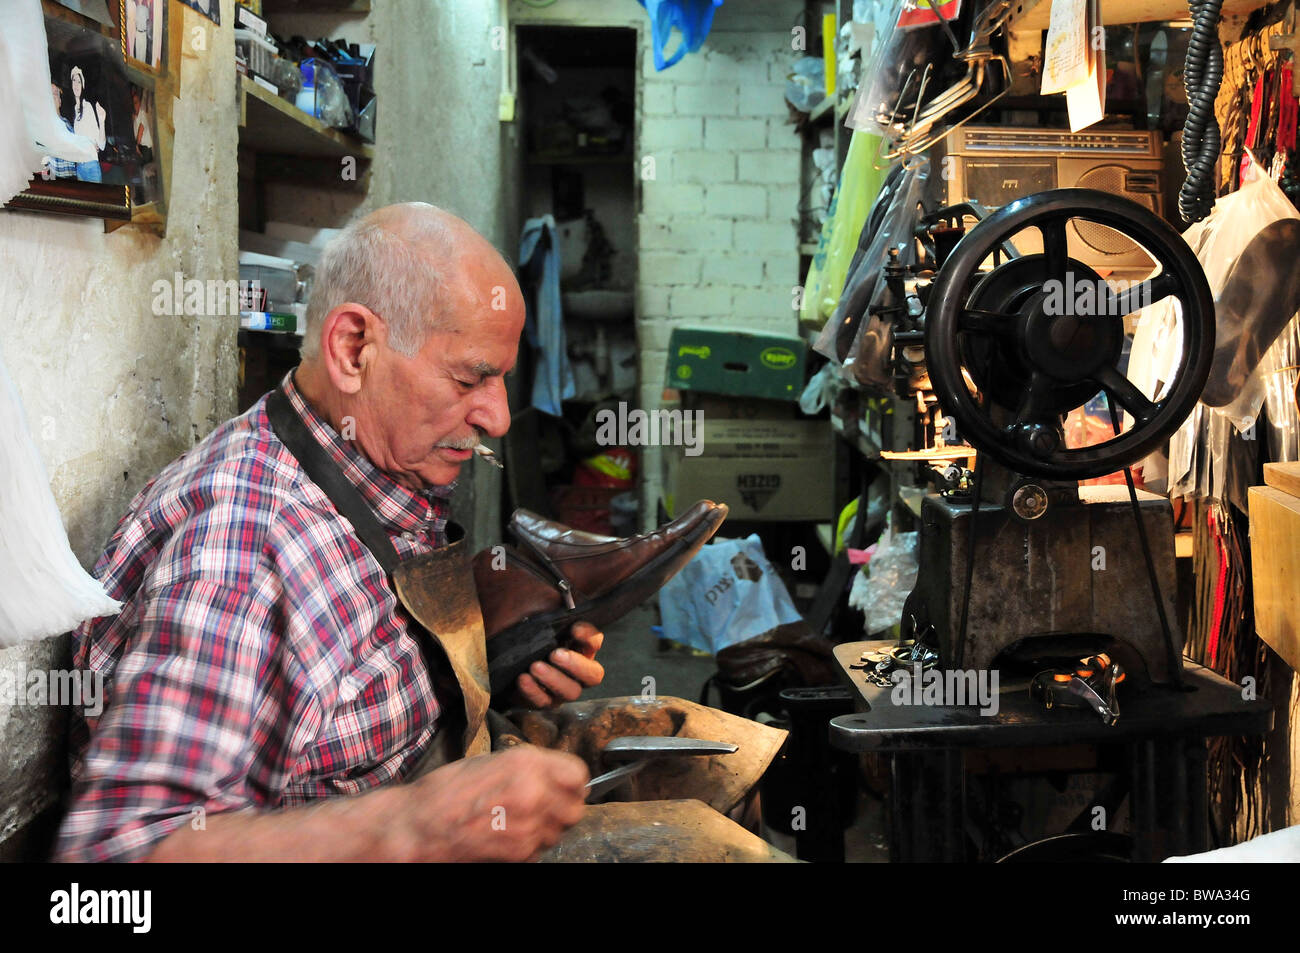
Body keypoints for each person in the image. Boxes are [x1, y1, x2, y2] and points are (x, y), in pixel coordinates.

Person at [54, 204, 607, 862]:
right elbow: (113, 862)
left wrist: (499, 664)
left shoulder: (374, 463)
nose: (497, 416)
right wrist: (414, 826)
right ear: (352, 349)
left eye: (502, 378)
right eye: (470, 377)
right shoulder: (243, 549)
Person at [68, 66, 105, 183]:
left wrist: (102, 121)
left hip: (91, 167)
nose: (76, 85)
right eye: (74, 81)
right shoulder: (73, 111)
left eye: (79, 81)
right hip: (79, 168)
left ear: (83, 85)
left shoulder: (88, 107)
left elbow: (101, 145)